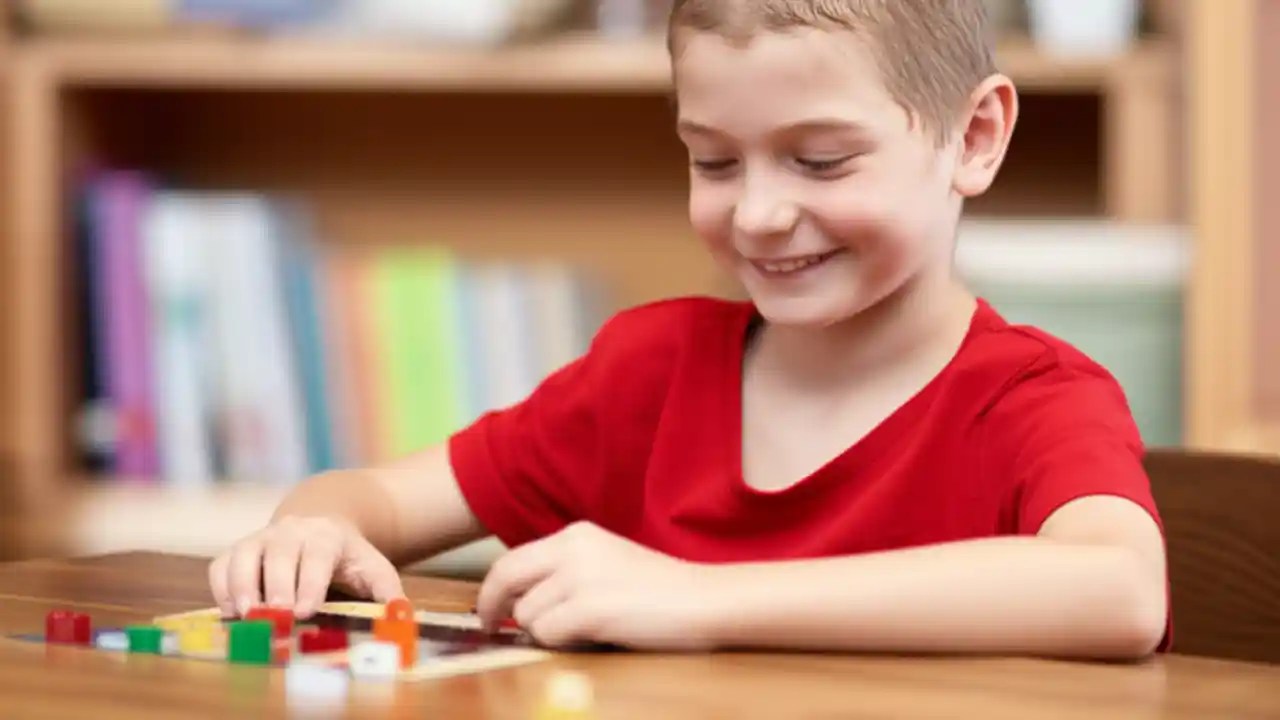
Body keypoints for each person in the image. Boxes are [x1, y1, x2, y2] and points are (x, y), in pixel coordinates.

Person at [209, 0, 1170, 659]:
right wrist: (312, 527)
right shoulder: (647, 372)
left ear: (974, 139)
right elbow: (378, 495)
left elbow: (1121, 592)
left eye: (822, 162)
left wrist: (701, 597)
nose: (756, 214)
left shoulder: (1035, 398)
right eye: (714, 163)